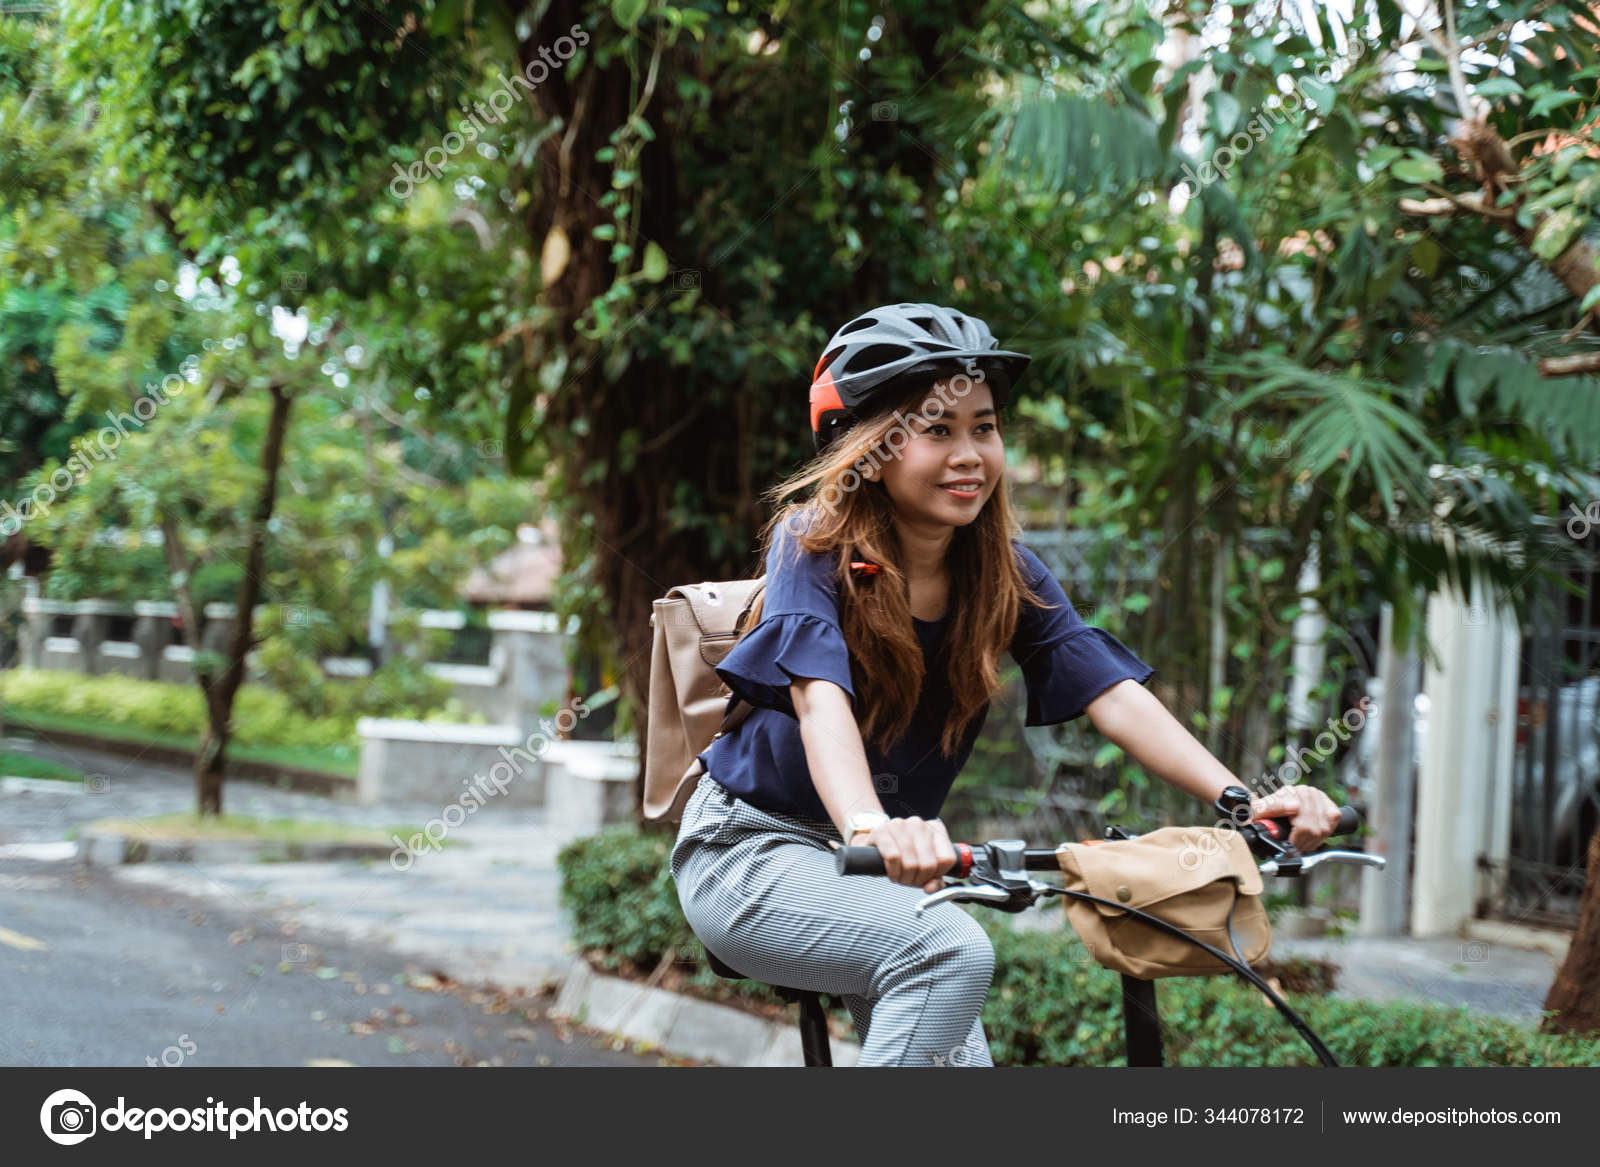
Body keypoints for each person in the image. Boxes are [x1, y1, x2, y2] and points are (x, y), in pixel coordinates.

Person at [669, 302, 1343, 1067]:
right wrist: (868, 824)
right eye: (937, 429)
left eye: (984, 427)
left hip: (884, 874)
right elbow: (821, 697)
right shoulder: (813, 542)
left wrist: (1245, 801)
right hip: (754, 851)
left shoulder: (1004, 571)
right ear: (871, 446)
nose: (970, 454)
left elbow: (1110, 693)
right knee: (948, 950)